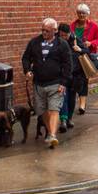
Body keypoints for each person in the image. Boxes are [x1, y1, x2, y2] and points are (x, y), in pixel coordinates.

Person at [21, 18, 72, 148]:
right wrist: (27, 71)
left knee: (54, 109)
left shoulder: (62, 45)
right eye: (42, 30)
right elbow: (26, 58)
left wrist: (63, 82)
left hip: (56, 83)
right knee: (41, 110)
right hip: (38, 83)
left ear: (55, 31)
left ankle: (52, 136)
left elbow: (67, 64)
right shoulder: (34, 42)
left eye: (47, 31)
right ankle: (50, 132)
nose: (44, 33)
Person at [68, 3, 98, 113]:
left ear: (87, 14)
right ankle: (73, 103)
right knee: (73, 80)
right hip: (74, 57)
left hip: (86, 56)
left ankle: (82, 105)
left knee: (83, 79)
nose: (81, 15)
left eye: (83, 13)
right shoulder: (72, 26)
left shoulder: (93, 26)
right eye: (79, 13)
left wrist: (91, 43)